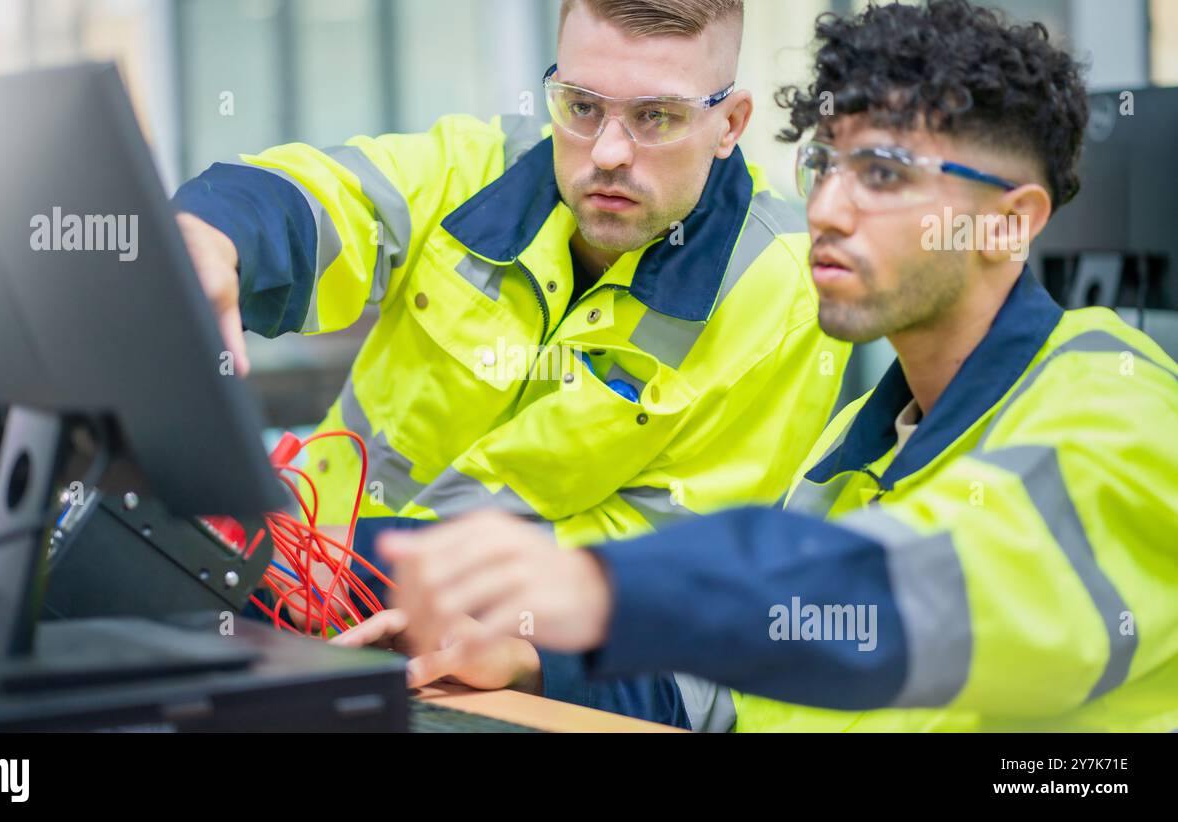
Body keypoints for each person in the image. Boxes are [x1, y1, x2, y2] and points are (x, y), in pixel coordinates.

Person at [340, 0, 1178, 732]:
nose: (825, 209)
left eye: (883, 174)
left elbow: (920, 592)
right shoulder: (856, 451)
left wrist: (608, 589)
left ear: (1006, 224)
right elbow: (736, 685)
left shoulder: (1122, 405)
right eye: (824, 164)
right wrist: (532, 660)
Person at [175, 0, 848, 727]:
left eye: (657, 116)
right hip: (277, 591)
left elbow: (653, 577)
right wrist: (212, 232)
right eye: (581, 105)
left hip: (480, 674)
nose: (610, 151)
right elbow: (325, 196)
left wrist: (367, 571)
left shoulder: (782, 294)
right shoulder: (476, 169)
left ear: (731, 124)